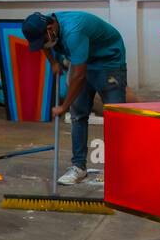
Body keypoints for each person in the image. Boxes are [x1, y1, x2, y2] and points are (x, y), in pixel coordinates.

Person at [23, 12, 128, 186]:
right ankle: (79, 167)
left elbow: (79, 76)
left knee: (115, 117)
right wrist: (53, 62)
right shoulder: (46, 25)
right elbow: (44, 44)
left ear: (50, 29)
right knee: (78, 115)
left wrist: (64, 106)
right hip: (82, 58)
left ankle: (117, 169)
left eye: (43, 39)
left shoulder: (73, 32)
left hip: (108, 61)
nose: (43, 44)